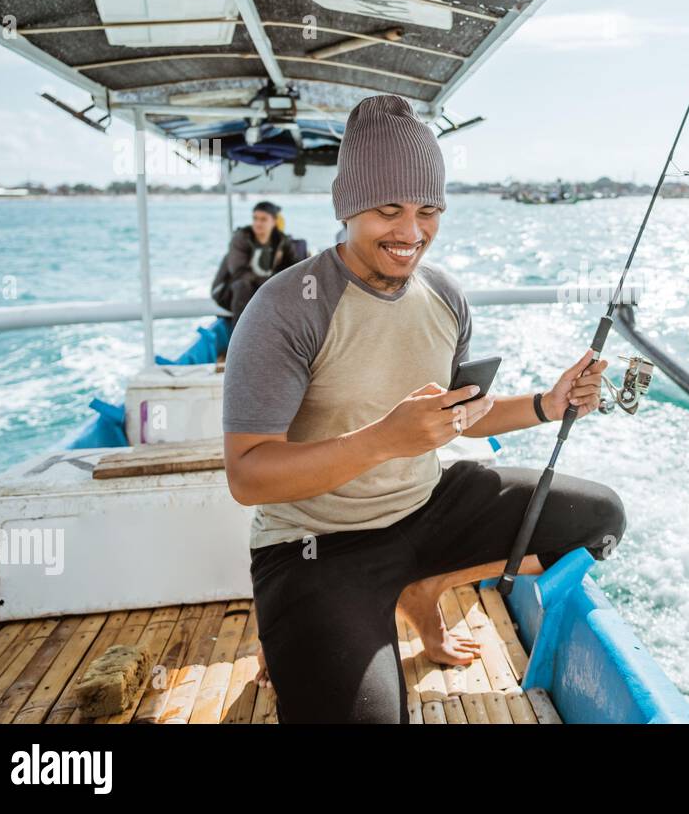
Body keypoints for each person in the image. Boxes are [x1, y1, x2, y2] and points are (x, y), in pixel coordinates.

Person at [221, 94, 625, 724]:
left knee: (597, 518)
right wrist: (381, 440)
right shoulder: (286, 306)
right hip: (317, 545)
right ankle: (313, 624)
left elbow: (463, 415)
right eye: (388, 211)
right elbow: (247, 476)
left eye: (428, 211)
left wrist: (548, 403)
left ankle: (424, 584)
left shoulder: (443, 295)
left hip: (426, 510)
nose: (411, 233)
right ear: (348, 207)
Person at [210, 201, 305, 333]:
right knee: (242, 285)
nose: (258, 223)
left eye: (263, 219)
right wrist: (271, 283)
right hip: (228, 292)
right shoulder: (241, 238)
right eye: (255, 218)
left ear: (274, 221)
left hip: (262, 289)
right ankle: (239, 340)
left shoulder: (282, 241)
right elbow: (239, 272)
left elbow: (296, 269)